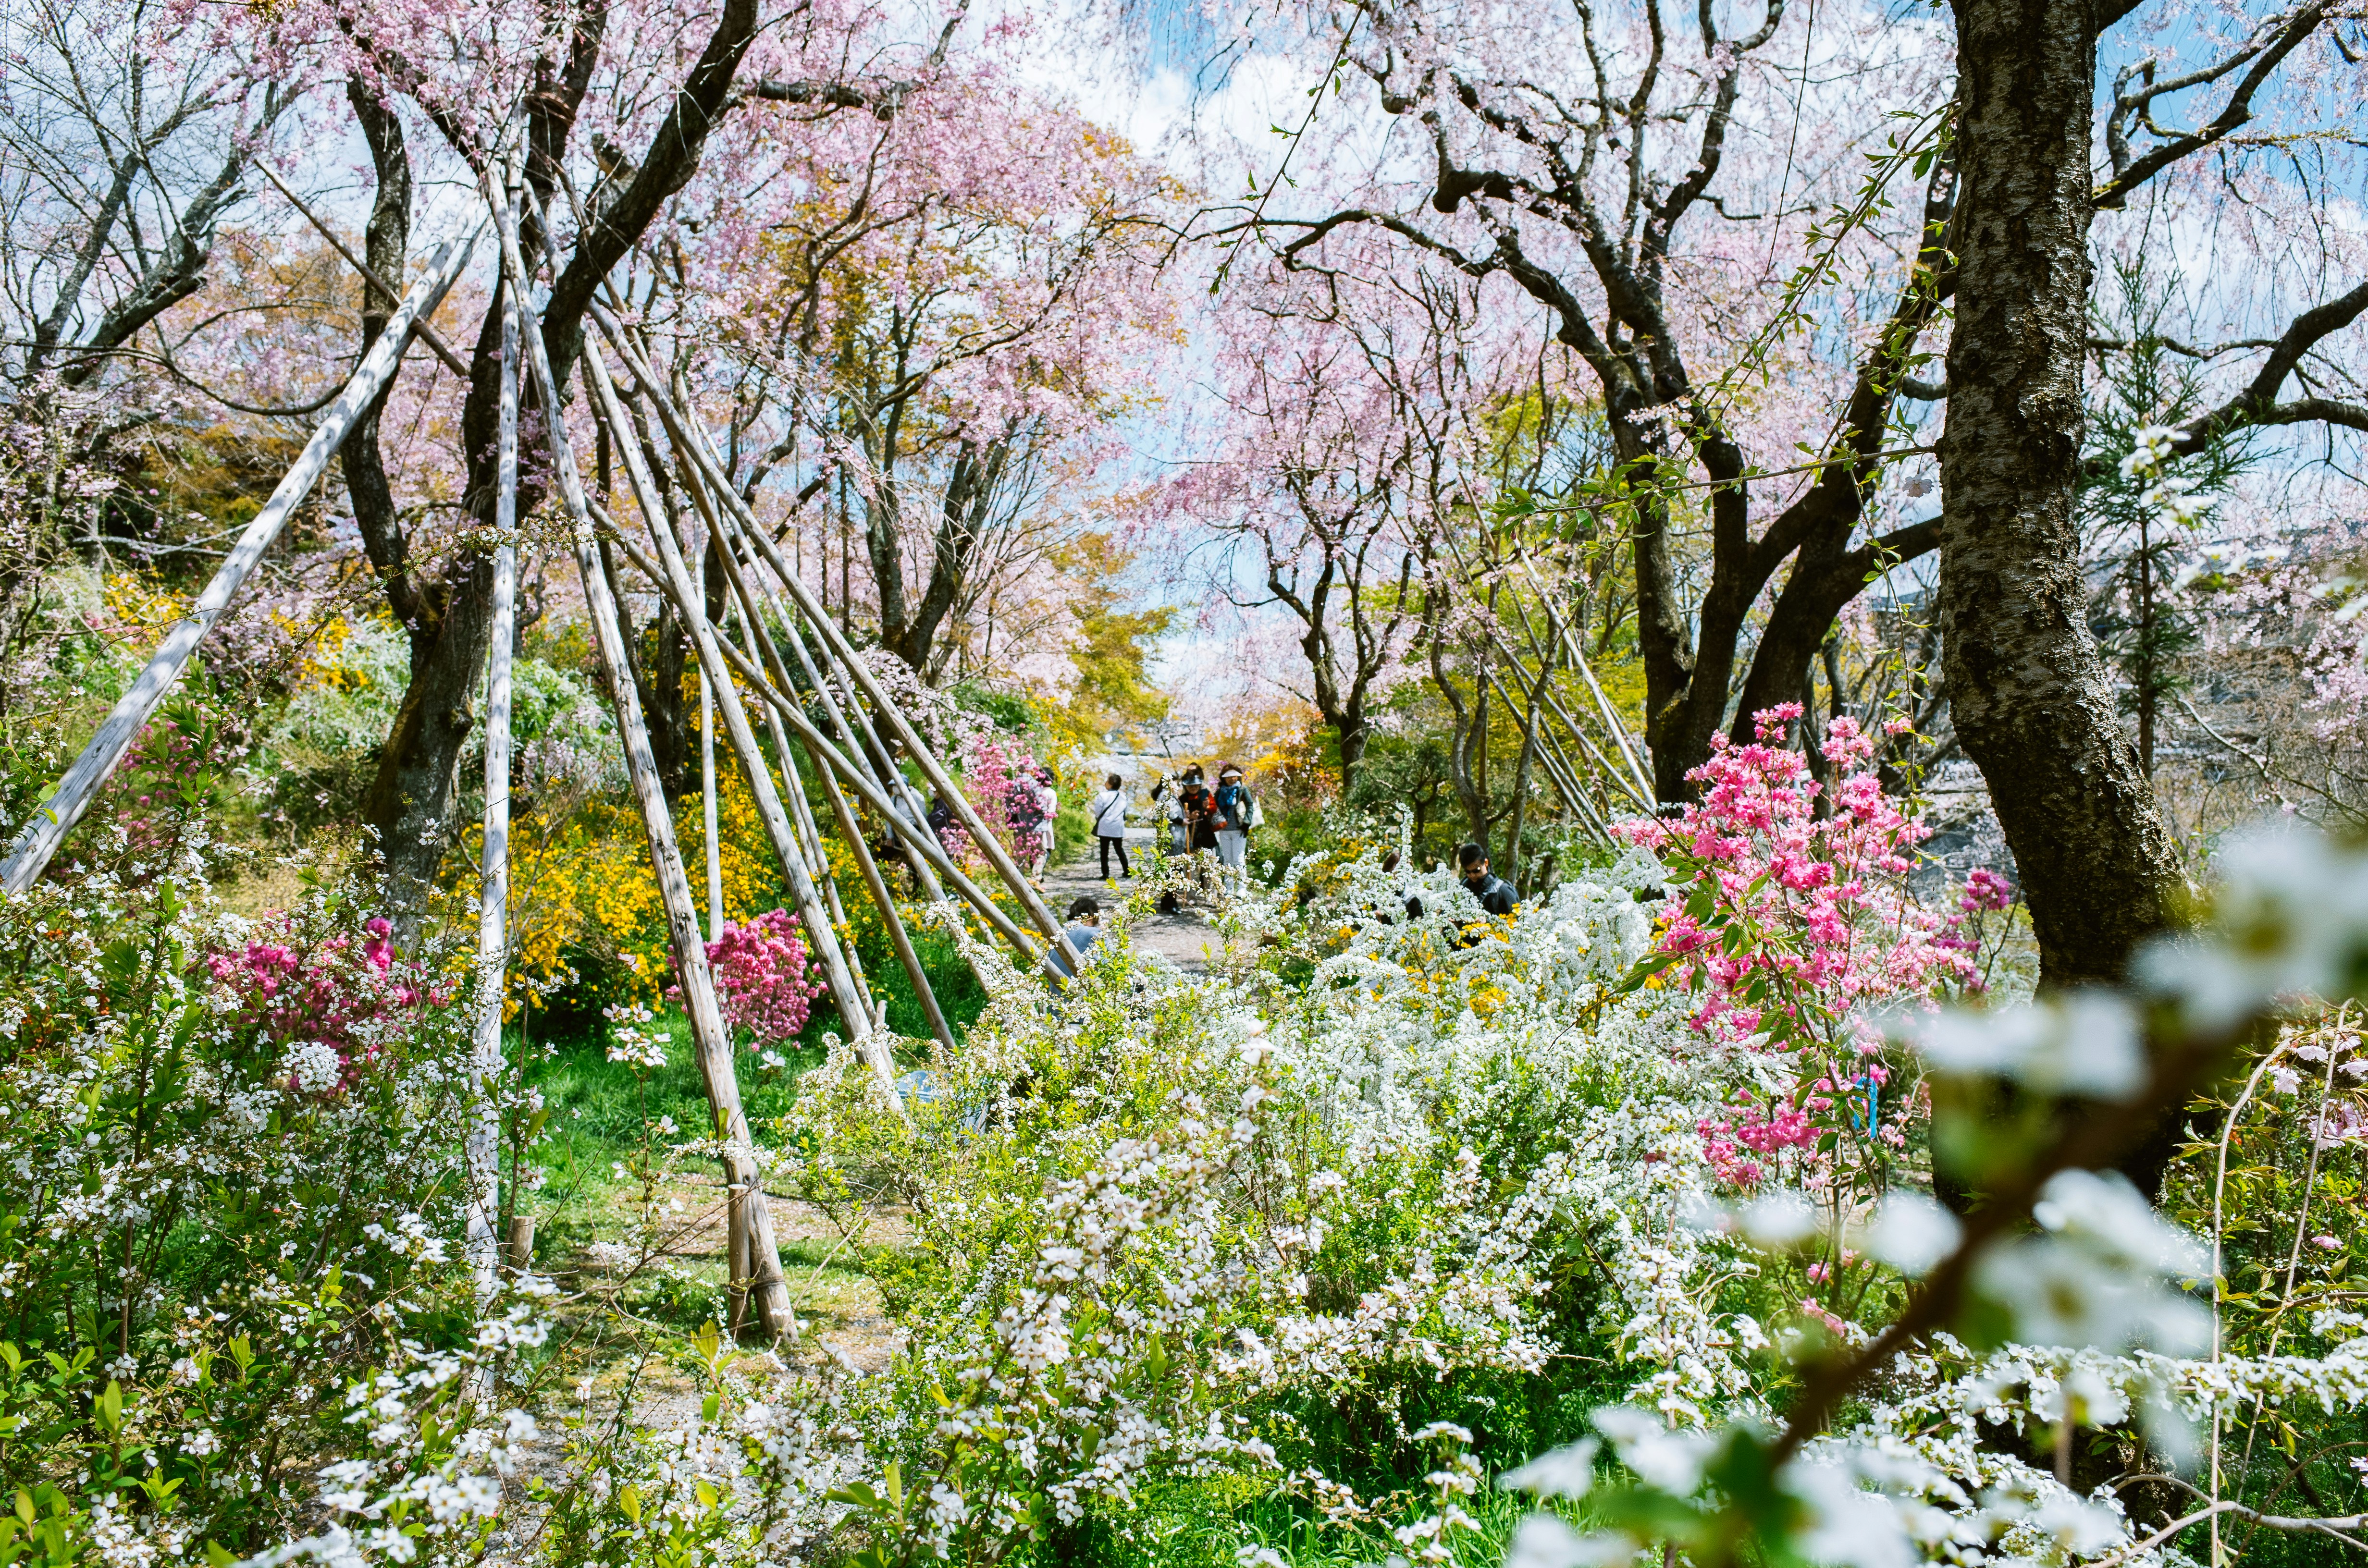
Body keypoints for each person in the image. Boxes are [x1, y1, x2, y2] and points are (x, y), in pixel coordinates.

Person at [1209, 763, 1255, 890]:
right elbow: (1214, 808)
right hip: (1224, 831)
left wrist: (1247, 823)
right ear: (1223, 778)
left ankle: (1241, 889)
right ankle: (1228, 889)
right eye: (1229, 777)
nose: (1232, 779)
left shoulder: (1242, 790)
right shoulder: (1220, 793)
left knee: (1239, 860)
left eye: (1235, 776)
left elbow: (1250, 806)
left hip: (1239, 831)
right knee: (1227, 860)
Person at [1043, 894, 1103, 987]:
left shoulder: (1056, 936)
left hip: (1057, 998)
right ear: (1091, 917)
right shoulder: (1093, 933)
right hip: (1085, 998)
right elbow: (1114, 962)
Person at [1456, 841, 1518, 917]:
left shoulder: (1503, 890)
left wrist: (1487, 924)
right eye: (1468, 871)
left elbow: (1516, 921)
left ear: (1486, 863)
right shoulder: (1461, 888)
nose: (1472, 875)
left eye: (1477, 870)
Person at [1089, 772, 1131, 880]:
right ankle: (1127, 871)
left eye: (1107, 781)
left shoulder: (1102, 796)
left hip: (1105, 827)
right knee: (1119, 850)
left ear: (1111, 784)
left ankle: (1106, 874)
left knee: (1104, 851)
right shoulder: (1123, 797)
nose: (1105, 783)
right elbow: (1125, 812)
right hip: (1118, 827)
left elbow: (1098, 812)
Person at [1028, 770, 1058, 880]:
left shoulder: (1033, 791)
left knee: (1033, 851)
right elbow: (1051, 811)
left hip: (1031, 825)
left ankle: (1036, 875)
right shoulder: (1051, 793)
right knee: (1045, 851)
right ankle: (1037, 876)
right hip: (1045, 826)